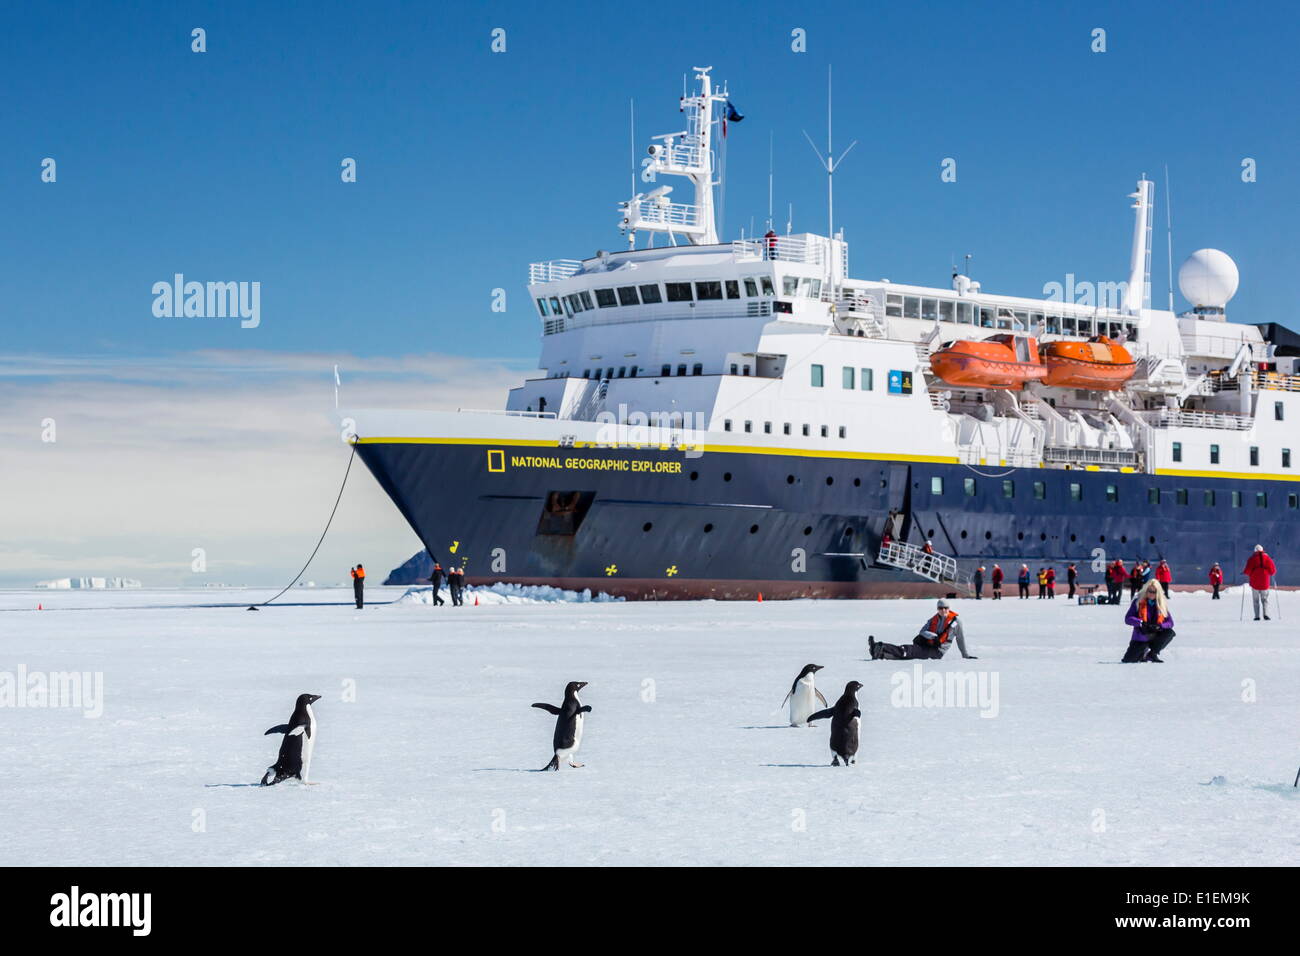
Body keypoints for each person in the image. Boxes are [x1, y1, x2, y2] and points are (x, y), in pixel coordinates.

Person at [869, 599, 977, 660]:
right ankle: (881, 654)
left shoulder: (956, 623)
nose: (943, 610)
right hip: (927, 645)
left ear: (949, 609)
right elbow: (922, 632)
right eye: (940, 608)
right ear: (937, 609)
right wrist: (932, 636)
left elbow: (960, 639)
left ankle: (881, 646)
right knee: (908, 654)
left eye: (946, 608)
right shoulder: (932, 620)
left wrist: (965, 655)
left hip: (937, 652)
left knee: (907, 650)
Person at [1122, 579, 1176, 662]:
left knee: (1169, 632)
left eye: (1154, 592)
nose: (1151, 593)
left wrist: (1160, 626)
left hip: (1155, 634)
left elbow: (1170, 622)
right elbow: (1128, 619)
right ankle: (1143, 653)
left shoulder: (1161, 604)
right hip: (1141, 636)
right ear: (1145, 590)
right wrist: (1141, 623)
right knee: (1128, 660)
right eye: (1149, 591)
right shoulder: (1138, 602)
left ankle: (1152, 654)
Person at [1242, 544, 1277, 621]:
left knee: (1255, 600)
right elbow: (1273, 571)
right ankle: (1266, 614)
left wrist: (1245, 573)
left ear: (1255, 551)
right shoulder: (1268, 558)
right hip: (1265, 583)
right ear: (1262, 550)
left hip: (1255, 583)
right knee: (1265, 599)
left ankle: (1257, 616)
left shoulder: (1252, 559)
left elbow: (1247, 571)